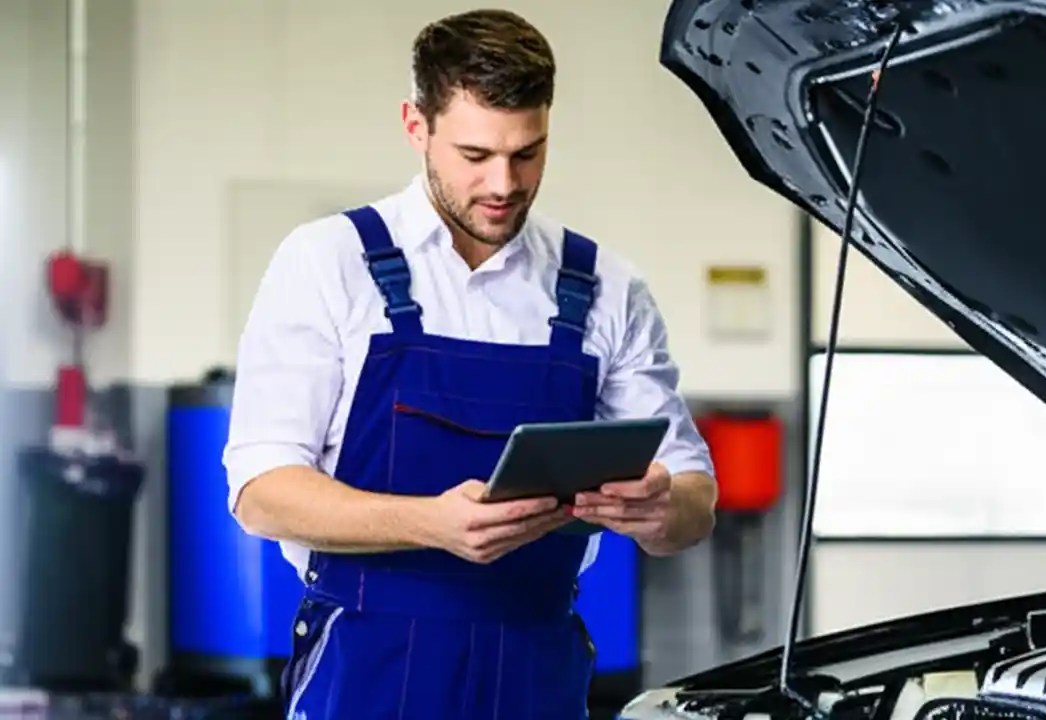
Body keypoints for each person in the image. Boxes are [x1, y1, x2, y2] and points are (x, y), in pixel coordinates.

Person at [220, 8, 718, 720]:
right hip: (368, 665)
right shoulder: (329, 262)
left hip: (538, 667)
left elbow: (695, 503)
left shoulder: (607, 287)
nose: (505, 184)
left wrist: (656, 508)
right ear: (415, 126)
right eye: (475, 156)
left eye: (529, 153)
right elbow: (260, 490)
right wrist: (431, 523)